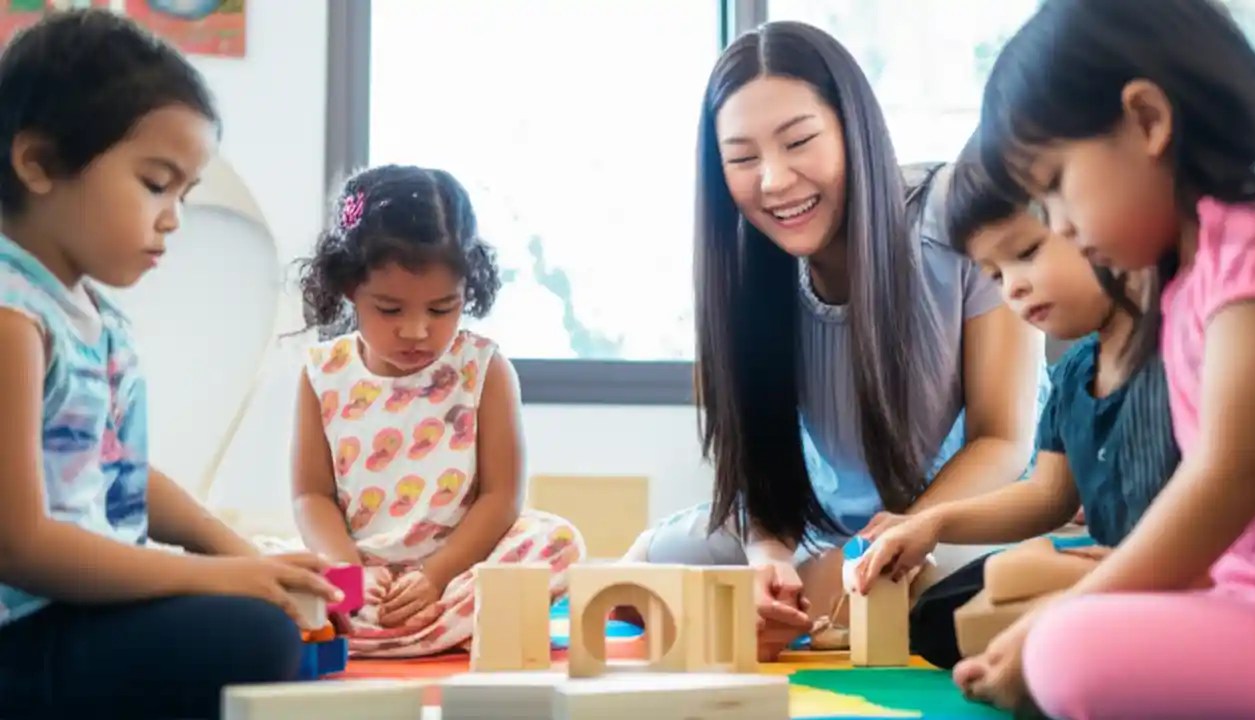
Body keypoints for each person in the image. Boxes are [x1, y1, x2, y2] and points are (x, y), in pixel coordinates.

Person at [621, 20, 1047, 659]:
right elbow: (763, 476)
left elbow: (1003, 439)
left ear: (853, 129)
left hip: (963, 513)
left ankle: (837, 595)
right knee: (634, 577)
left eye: (799, 142)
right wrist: (768, 563)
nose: (774, 181)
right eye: (741, 158)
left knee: (928, 597)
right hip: (827, 522)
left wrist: (908, 530)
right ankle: (810, 596)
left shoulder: (959, 218)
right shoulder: (742, 267)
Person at [0, 10, 342, 720]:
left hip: (73, 611)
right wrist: (216, 578)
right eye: (156, 184)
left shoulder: (94, 314)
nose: (173, 219)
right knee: (254, 638)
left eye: (184, 194)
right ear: (38, 163)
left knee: (266, 616)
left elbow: (118, 468)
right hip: (24, 630)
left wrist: (238, 552)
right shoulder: (12, 315)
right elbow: (21, 545)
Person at [954, 0, 1255, 715]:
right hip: (1239, 591)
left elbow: (1232, 472)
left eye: (1055, 187)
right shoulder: (1193, 278)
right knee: (1048, 630)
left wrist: (1070, 607)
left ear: (1147, 122)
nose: (1063, 223)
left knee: (1065, 649)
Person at [852, 139, 1180, 670]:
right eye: (996, 276)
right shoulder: (1077, 372)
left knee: (1023, 580)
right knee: (942, 613)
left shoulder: (1176, 350)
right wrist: (933, 523)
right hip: (1097, 572)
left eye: (1026, 253)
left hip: (1171, 573)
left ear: (1087, 222)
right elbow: (1046, 494)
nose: (1016, 289)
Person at [291, 164, 585, 658]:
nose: (416, 331)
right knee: (267, 563)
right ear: (348, 289)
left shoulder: (483, 369)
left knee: (558, 542)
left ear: (468, 289)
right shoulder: (323, 372)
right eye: (389, 309)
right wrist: (350, 571)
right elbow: (310, 496)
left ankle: (406, 628)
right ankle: (404, 628)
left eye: (441, 309)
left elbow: (501, 496)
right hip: (363, 569)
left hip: (456, 568)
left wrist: (436, 574)